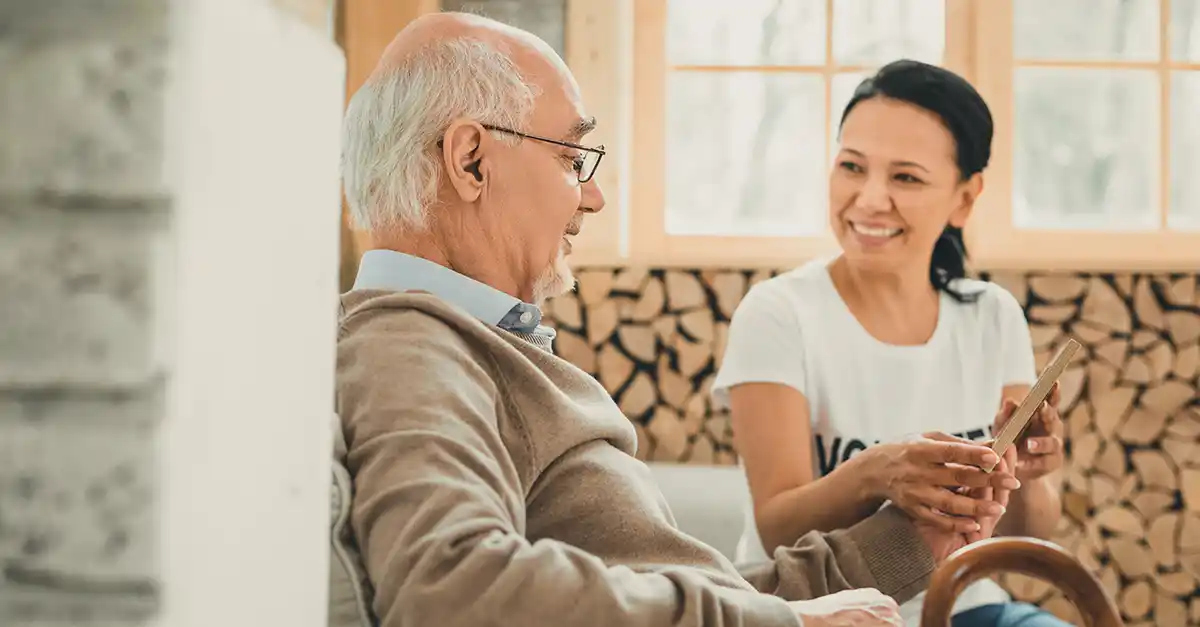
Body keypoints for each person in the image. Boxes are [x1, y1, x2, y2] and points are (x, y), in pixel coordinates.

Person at [336, 16, 1020, 627]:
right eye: (572, 159)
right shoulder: (409, 343)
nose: (595, 196)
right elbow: (448, 590)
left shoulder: (465, 342)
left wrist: (911, 541)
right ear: (470, 160)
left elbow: (703, 593)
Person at [711, 60, 1068, 627]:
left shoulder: (993, 317)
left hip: (968, 608)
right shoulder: (778, 313)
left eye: (906, 178)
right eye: (852, 167)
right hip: (819, 610)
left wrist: (1027, 475)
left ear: (965, 198)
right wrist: (876, 473)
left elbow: (1031, 533)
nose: (870, 199)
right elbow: (777, 526)